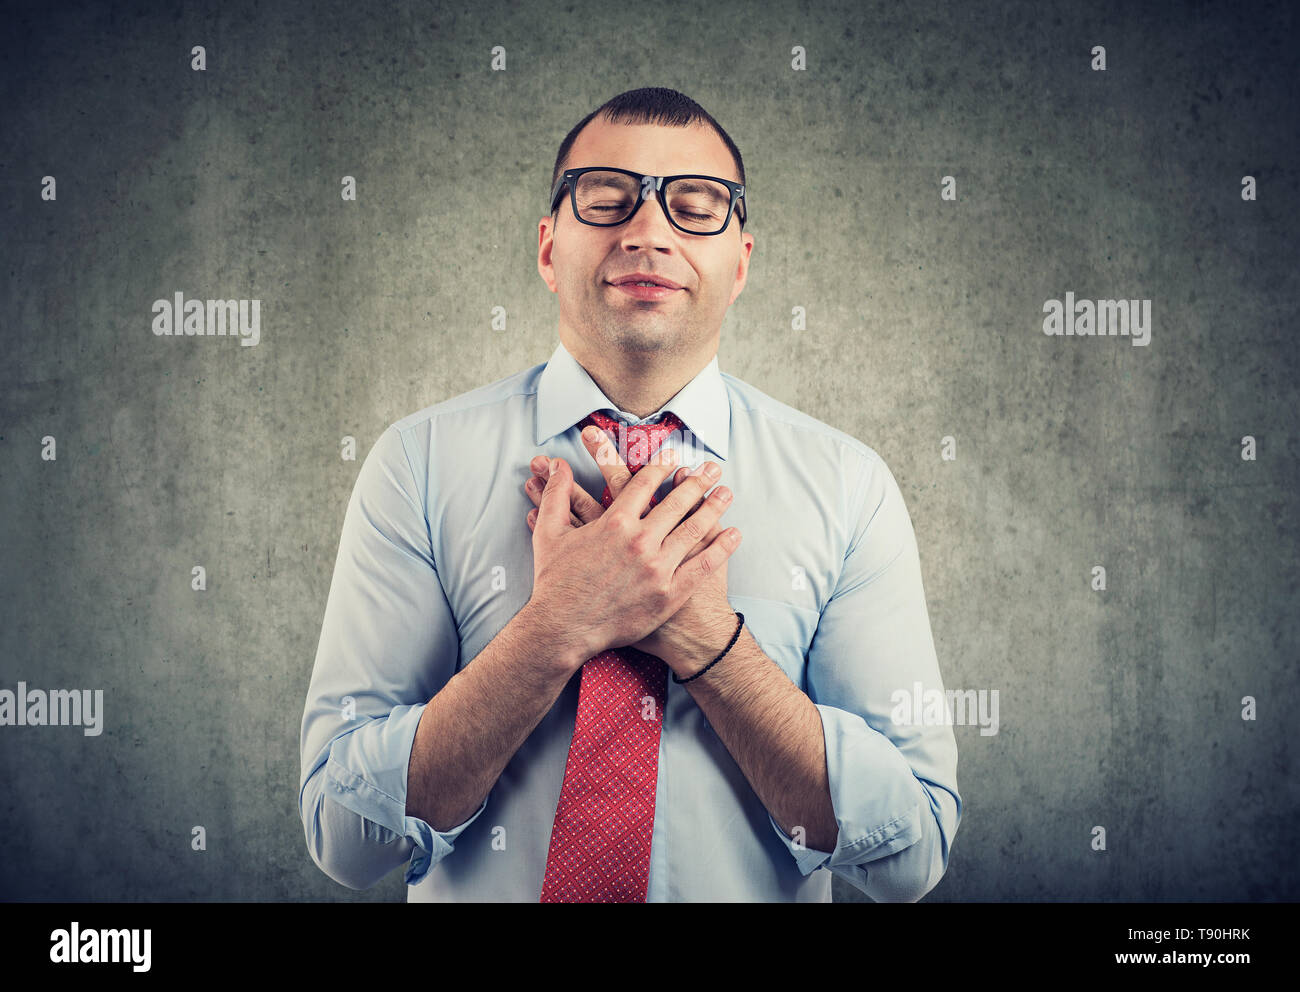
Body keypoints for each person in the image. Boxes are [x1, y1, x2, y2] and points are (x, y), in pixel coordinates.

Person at [298, 87, 961, 902]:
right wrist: (555, 630)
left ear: (742, 262)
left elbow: (911, 855)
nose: (648, 232)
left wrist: (710, 643)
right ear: (548, 250)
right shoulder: (416, 463)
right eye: (607, 199)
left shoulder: (850, 487)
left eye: (695, 205)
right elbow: (344, 838)